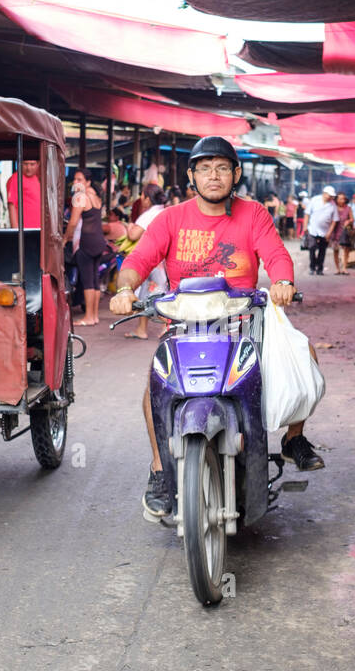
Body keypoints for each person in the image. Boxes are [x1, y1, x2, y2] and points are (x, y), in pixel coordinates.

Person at [108, 135, 323, 522]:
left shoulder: (253, 213)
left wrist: (282, 281)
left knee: (303, 353)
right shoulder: (171, 218)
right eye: (205, 168)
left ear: (235, 173)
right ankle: (160, 471)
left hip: (244, 320)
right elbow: (139, 258)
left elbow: (275, 254)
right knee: (155, 387)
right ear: (192, 175)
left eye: (222, 167)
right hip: (185, 323)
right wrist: (126, 288)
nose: (214, 176)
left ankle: (293, 440)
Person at [65, 170, 107, 326]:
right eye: (75, 179)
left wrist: (65, 238)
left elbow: (73, 222)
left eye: (80, 179)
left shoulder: (80, 197)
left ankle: (88, 317)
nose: (76, 182)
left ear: (88, 182)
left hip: (87, 242)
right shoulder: (95, 197)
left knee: (88, 280)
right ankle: (94, 316)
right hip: (98, 241)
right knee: (95, 279)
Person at [127, 188, 168, 341]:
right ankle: (141, 329)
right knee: (149, 293)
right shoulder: (164, 211)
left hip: (151, 259)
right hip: (161, 260)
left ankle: (166, 326)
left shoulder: (149, 214)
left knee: (157, 294)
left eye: (142, 196)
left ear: (148, 199)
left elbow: (133, 235)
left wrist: (129, 227)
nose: (141, 199)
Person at [302, 185, 337, 275]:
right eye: (330, 195)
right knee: (312, 248)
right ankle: (312, 267)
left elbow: (334, 220)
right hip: (312, 229)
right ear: (324, 194)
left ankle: (320, 268)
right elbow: (307, 214)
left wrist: (329, 232)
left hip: (325, 231)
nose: (331, 197)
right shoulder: (314, 200)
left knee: (322, 250)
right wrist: (305, 226)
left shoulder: (333, 205)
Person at [7, 157, 42, 230]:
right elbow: (11, 205)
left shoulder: (36, 178)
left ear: (38, 164)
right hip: (24, 230)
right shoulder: (16, 178)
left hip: (38, 228)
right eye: (25, 164)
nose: (28, 168)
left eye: (32, 164)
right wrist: (15, 230)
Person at [330, 192, 355, 275]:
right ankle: (337, 269)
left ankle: (344, 268)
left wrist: (348, 221)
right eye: (340, 199)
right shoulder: (333, 208)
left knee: (346, 250)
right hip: (335, 232)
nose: (342, 200)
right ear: (336, 200)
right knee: (335, 250)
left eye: (343, 199)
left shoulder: (348, 208)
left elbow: (352, 219)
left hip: (345, 232)